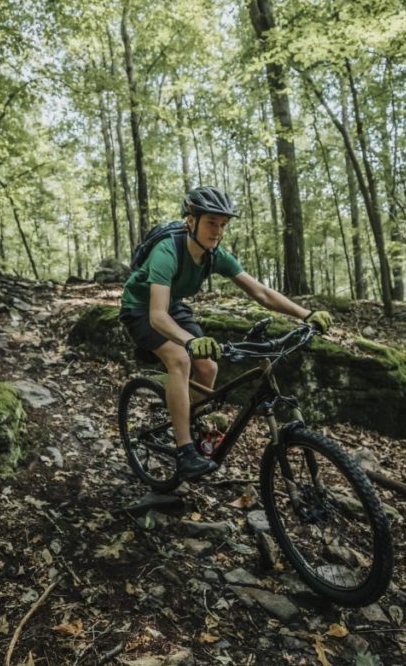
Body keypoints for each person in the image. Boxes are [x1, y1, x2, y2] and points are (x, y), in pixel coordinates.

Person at [119, 186, 333, 480]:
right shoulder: (167, 251)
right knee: (180, 359)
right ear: (190, 221)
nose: (217, 231)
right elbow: (157, 315)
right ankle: (184, 451)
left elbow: (260, 291)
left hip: (173, 306)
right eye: (211, 223)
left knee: (208, 367)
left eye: (223, 225)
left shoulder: (215, 254)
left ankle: (184, 419)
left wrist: (305, 314)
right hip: (141, 308)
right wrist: (191, 340)